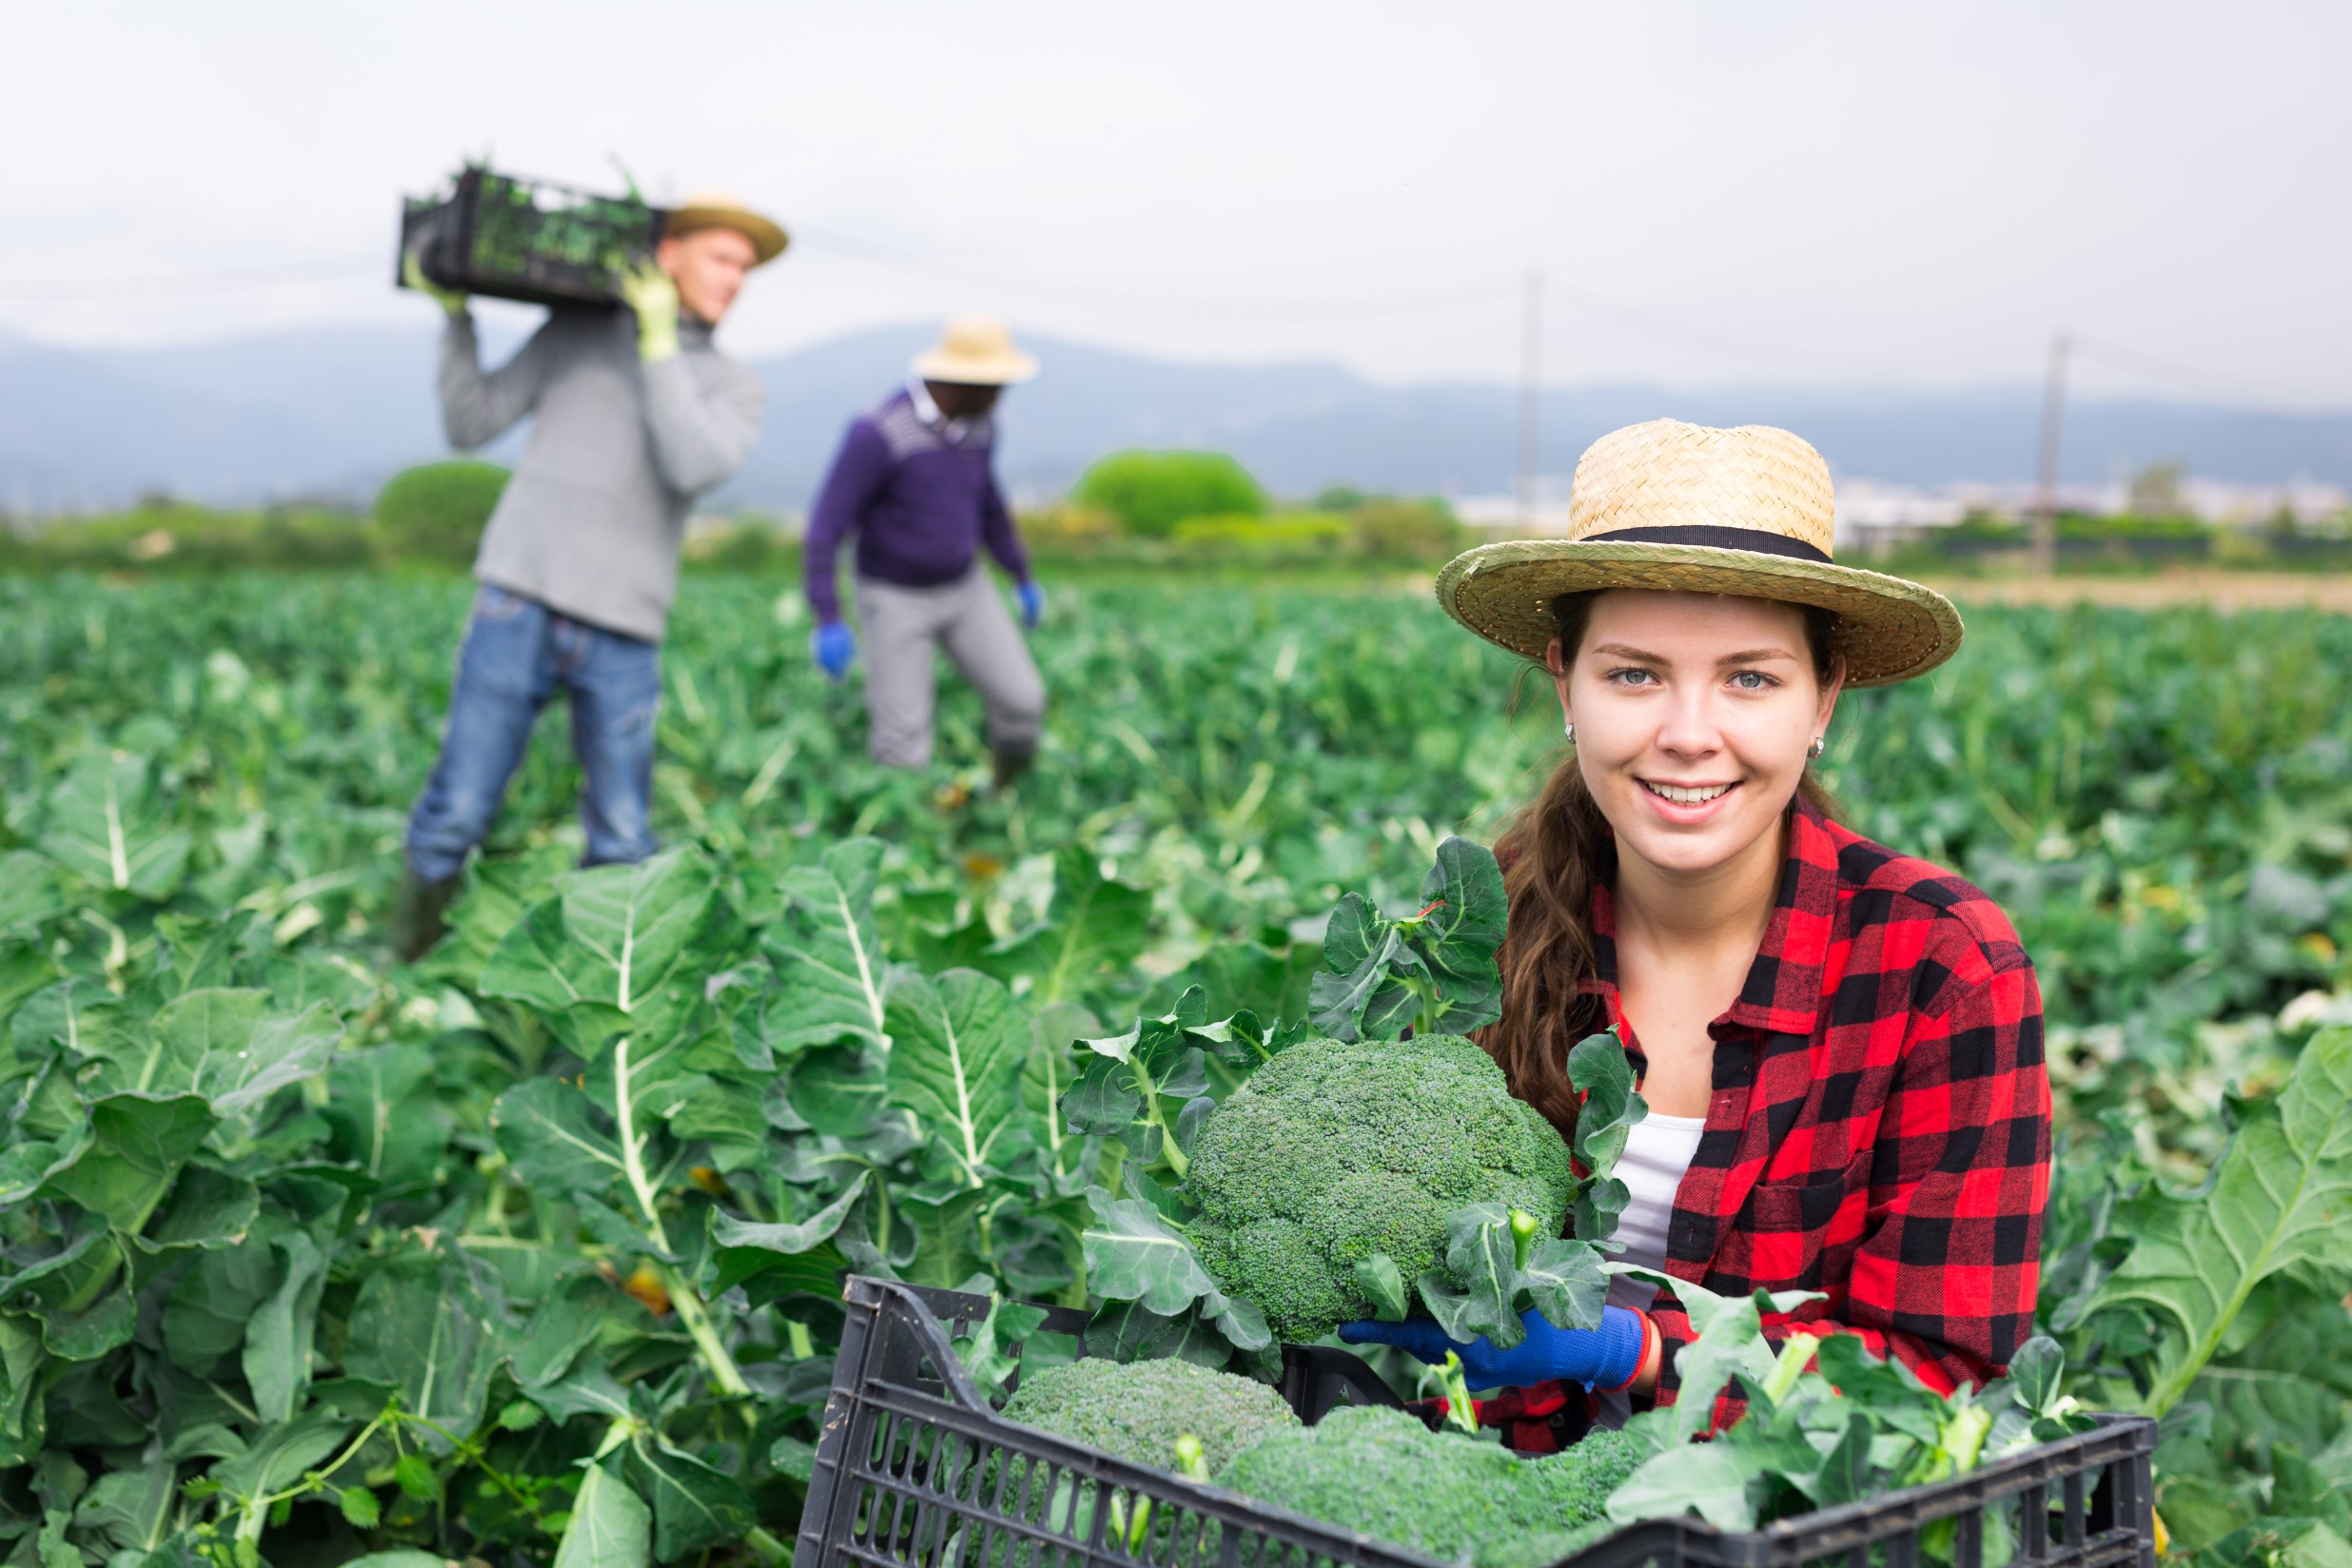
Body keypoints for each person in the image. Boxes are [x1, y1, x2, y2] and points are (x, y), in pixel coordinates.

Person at [1344, 419, 2049, 1448]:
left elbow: (1940, 1376)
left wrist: (1632, 1350)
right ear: (1566, 684)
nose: (1687, 734)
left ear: (1824, 698)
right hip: (1497, 1491)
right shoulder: (1469, 935)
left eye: (1749, 678)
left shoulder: (1942, 966)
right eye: (1633, 674)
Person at [389, 192, 786, 961]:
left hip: (624, 626)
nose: (734, 279)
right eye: (720, 258)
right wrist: (457, 319)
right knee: (457, 810)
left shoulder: (733, 384)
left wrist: (659, 343)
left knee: (623, 836)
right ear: (667, 254)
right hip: (519, 599)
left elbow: (692, 464)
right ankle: (406, 976)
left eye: (744, 267)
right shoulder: (575, 330)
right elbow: (471, 423)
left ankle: (609, 994)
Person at [802, 315, 1047, 786]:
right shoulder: (879, 432)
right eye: (994, 385)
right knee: (902, 745)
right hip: (894, 597)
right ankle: (906, 827)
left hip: (965, 588)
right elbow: (826, 526)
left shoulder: (980, 428)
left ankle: (1006, 798)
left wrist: (1021, 575)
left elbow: (989, 506)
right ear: (960, 381)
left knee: (1023, 702)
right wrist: (827, 616)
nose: (1000, 397)